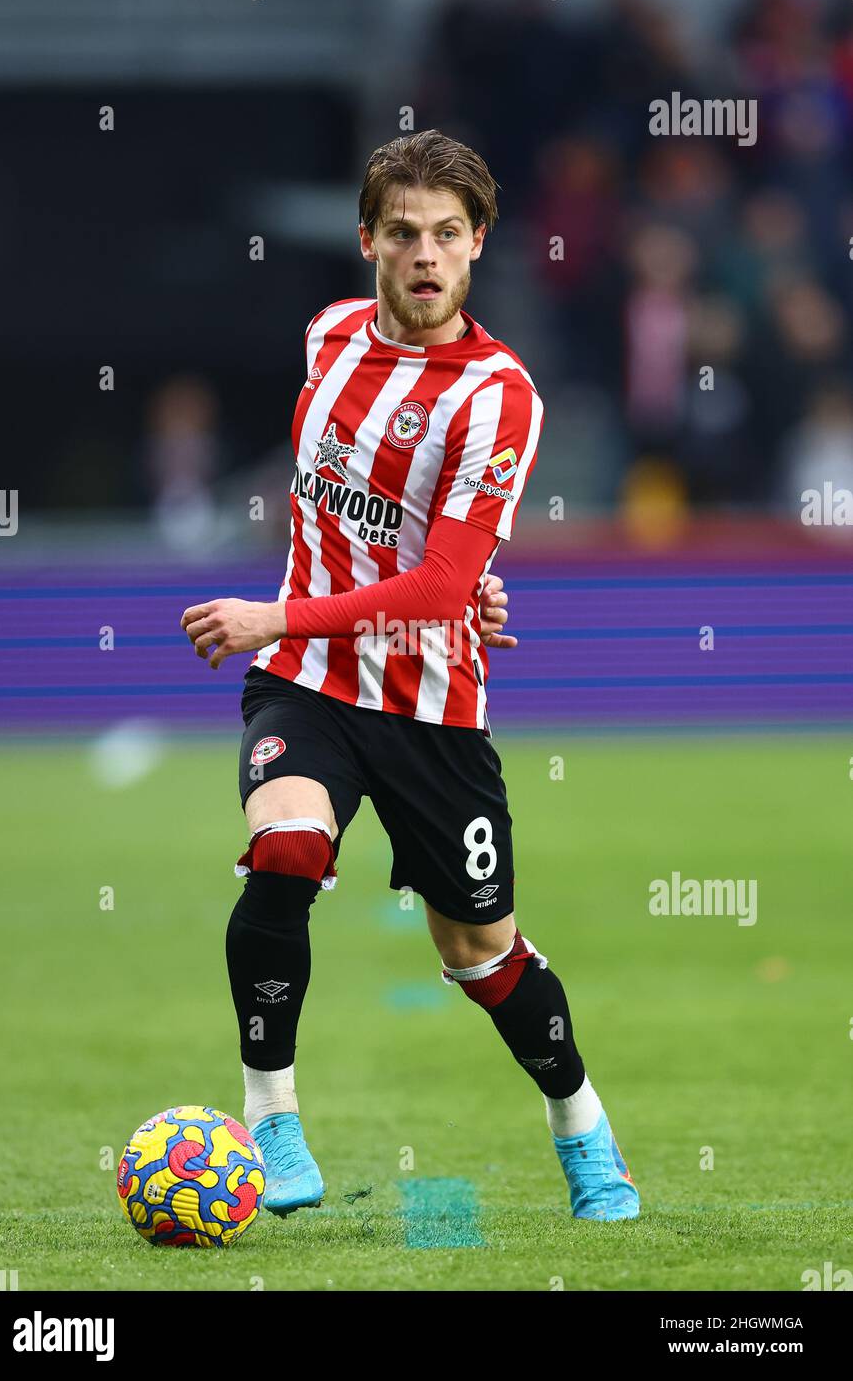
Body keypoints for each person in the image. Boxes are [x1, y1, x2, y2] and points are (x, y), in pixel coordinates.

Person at [181, 129, 639, 1222]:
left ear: (477, 244)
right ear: (367, 243)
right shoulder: (326, 336)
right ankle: (271, 1123)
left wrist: (280, 611)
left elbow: (437, 586)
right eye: (402, 234)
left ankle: (582, 1129)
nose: (424, 255)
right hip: (306, 682)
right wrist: (300, 625)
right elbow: (348, 513)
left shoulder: (497, 396)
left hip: (432, 707)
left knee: (479, 952)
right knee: (283, 849)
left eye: (446, 235)